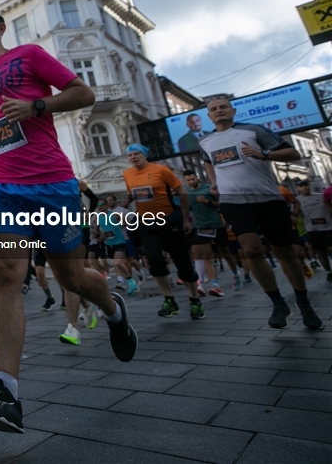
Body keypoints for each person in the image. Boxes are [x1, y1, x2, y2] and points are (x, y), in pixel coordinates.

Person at [0, 7, 136, 434]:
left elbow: (83, 94)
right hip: (2, 189)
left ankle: (113, 310)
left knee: (71, 278)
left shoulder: (30, 54)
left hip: (52, 183)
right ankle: (6, 390)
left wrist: (37, 104)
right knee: (5, 273)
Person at [198, 99, 323, 330]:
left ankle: (304, 303)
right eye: (213, 109)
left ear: (233, 111)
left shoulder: (253, 130)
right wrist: (214, 183)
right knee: (251, 249)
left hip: (267, 199)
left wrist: (262, 154)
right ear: (209, 116)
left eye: (223, 106)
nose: (219, 111)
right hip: (233, 202)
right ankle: (278, 303)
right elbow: (207, 162)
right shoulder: (205, 141)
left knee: (283, 251)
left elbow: (292, 153)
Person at [122, 144, 203, 319]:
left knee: (182, 261)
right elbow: (133, 191)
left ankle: (194, 300)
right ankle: (169, 300)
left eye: (136, 154)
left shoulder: (161, 170)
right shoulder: (127, 174)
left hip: (168, 219)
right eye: (129, 155)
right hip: (146, 222)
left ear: (144, 155)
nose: (133, 157)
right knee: (154, 260)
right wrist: (128, 200)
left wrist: (184, 219)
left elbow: (181, 192)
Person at [183, 170, 240, 294]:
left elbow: (222, 204)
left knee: (225, 253)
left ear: (197, 177)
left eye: (193, 179)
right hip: (200, 227)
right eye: (188, 180)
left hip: (216, 225)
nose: (191, 182)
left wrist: (207, 202)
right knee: (207, 256)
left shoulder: (208, 188)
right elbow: (187, 208)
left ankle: (235, 274)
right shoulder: (186, 193)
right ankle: (214, 285)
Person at [292, 180, 332, 281]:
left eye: (306, 185)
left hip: (328, 227)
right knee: (321, 252)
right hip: (313, 230)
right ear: (297, 188)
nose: (304, 188)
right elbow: (294, 215)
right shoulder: (297, 201)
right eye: (301, 186)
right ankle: (329, 272)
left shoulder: (321, 196)